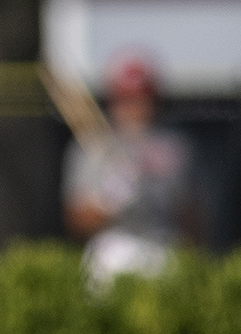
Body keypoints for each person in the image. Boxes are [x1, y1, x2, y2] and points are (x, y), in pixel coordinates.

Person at [64, 53, 196, 286]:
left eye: (141, 99)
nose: (134, 108)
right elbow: (77, 220)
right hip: (113, 249)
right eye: (126, 99)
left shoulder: (174, 147)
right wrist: (110, 201)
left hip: (163, 249)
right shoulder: (94, 147)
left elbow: (191, 214)